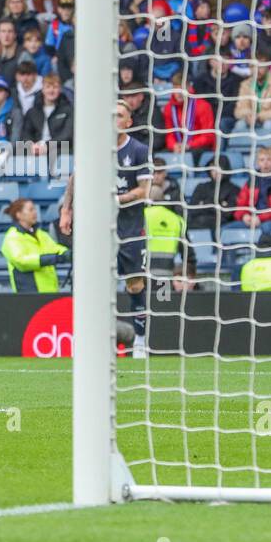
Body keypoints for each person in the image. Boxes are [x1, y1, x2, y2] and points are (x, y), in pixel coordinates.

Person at [115, 100, 152, 357]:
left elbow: (144, 190)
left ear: (128, 122)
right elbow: (76, 177)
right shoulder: (94, 147)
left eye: (118, 116)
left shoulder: (138, 150)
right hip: (101, 226)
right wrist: (66, 209)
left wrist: (117, 199)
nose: (112, 120)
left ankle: (139, 340)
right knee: (97, 283)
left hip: (131, 225)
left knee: (135, 284)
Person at [0, 197, 70, 292]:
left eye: (34, 209)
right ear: (19, 215)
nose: (35, 212)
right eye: (31, 210)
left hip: (50, 291)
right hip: (29, 293)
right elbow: (21, 261)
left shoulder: (41, 234)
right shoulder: (12, 237)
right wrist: (54, 258)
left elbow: (55, 248)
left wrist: (67, 253)